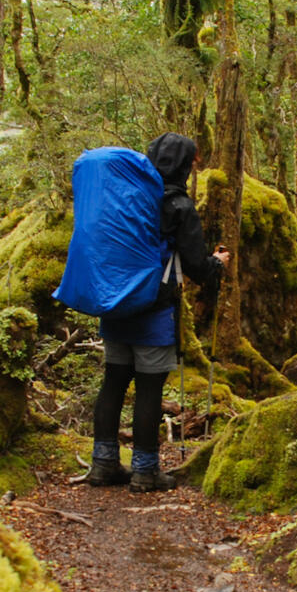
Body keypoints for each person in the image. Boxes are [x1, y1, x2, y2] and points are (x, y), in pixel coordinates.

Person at [86, 133, 228, 492]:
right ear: (183, 165)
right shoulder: (178, 205)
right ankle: (145, 471)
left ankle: (103, 465)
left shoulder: (130, 194)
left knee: (114, 383)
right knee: (149, 390)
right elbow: (196, 265)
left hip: (116, 303)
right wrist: (218, 263)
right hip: (154, 308)